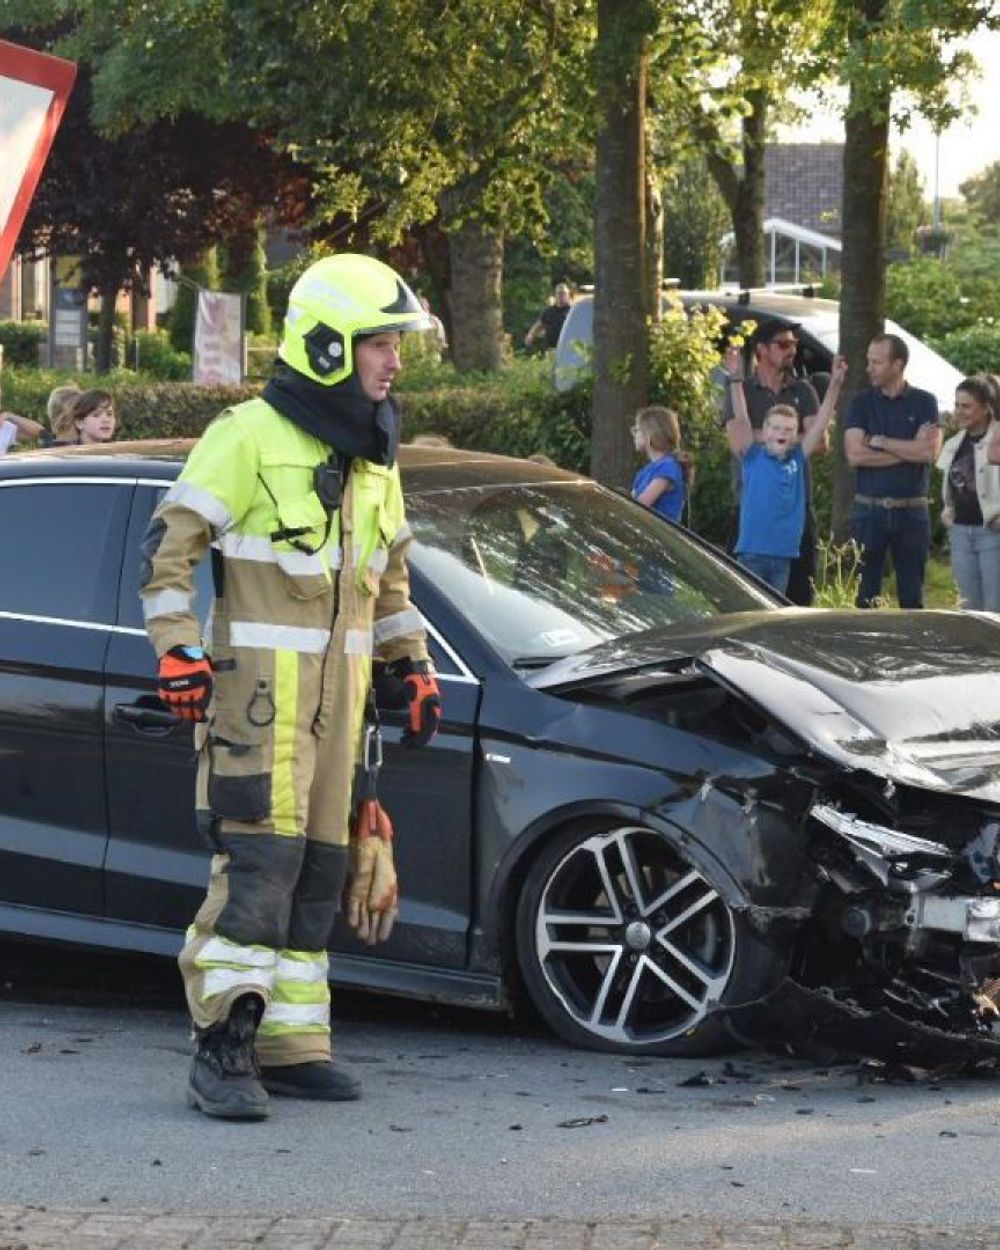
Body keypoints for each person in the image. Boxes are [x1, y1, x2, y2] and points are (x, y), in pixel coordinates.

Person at [139, 253, 442, 1121]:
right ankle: (221, 1047)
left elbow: (390, 582)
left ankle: (292, 1042)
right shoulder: (247, 436)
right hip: (258, 706)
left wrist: (412, 666)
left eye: (396, 344)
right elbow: (168, 550)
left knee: (320, 870)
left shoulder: (374, 457)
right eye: (379, 343)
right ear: (328, 347)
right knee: (260, 870)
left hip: (338, 711)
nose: (394, 361)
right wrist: (177, 647)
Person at [724, 345, 847, 594]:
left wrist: (835, 383)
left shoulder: (796, 459)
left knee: (775, 608)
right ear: (765, 431)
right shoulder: (753, 456)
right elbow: (742, 416)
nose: (782, 433)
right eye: (776, 428)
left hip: (783, 557)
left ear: (795, 436)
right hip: (752, 554)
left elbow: (820, 423)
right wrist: (735, 378)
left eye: (789, 429)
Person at [843, 333, 942, 609]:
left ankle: (912, 639)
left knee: (912, 597)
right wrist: (909, 450)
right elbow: (855, 455)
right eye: (868, 361)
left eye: (876, 362)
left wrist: (880, 441)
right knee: (866, 596)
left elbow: (929, 453)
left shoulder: (925, 402)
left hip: (912, 512)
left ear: (898, 364)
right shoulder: (860, 403)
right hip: (868, 510)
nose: (869, 368)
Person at [937, 375, 1000, 610]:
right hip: (961, 533)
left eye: (966, 406)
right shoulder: (954, 443)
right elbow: (951, 486)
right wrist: (947, 511)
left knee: (994, 609)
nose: (959, 412)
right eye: (957, 405)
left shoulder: (997, 441)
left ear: (985, 408)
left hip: (992, 533)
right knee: (968, 609)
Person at [630, 405, 690, 524]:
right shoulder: (647, 470)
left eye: (637, 430)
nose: (634, 434)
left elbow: (639, 506)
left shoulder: (668, 467)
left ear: (650, 435)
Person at [51, 389, 116, 446]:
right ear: (79, 423)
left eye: (109, 414)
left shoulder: (115, 451)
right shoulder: (66, 453)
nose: (106, 420)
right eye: (96, 415)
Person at [524, 282, 572, 351]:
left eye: (563, 293)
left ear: (568, 295)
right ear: (555, 295)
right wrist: (530, 335)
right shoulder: (548, 311)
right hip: (550, 347)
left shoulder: (572, 310)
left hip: (567, 347)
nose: (560, 296)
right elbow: (539, 324)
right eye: (559, 293)